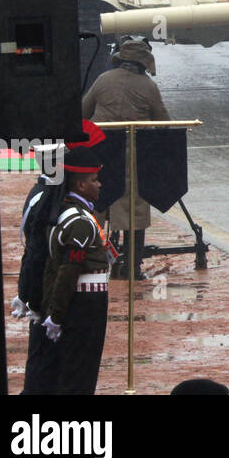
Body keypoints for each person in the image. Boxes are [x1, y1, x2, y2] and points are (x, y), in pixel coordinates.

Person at [17, 121, 107, 394]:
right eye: (93, 180)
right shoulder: (77, 219)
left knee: (52, 370)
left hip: (55, 298)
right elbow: (66, 268)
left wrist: (30, 295)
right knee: (75, 374)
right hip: (82, 303)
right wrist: (51, 312)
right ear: (79, 184)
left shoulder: (50, 201)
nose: (99, 184)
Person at [82, 37, 170, 280]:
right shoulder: (148, 86)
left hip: (100, 158)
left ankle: (94, 263)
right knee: (136, 213)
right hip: (132, 163)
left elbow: (83, 112)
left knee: (96, 209)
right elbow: (163, 123)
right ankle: (133, 268)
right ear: (144, 63)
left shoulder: (102, 80)